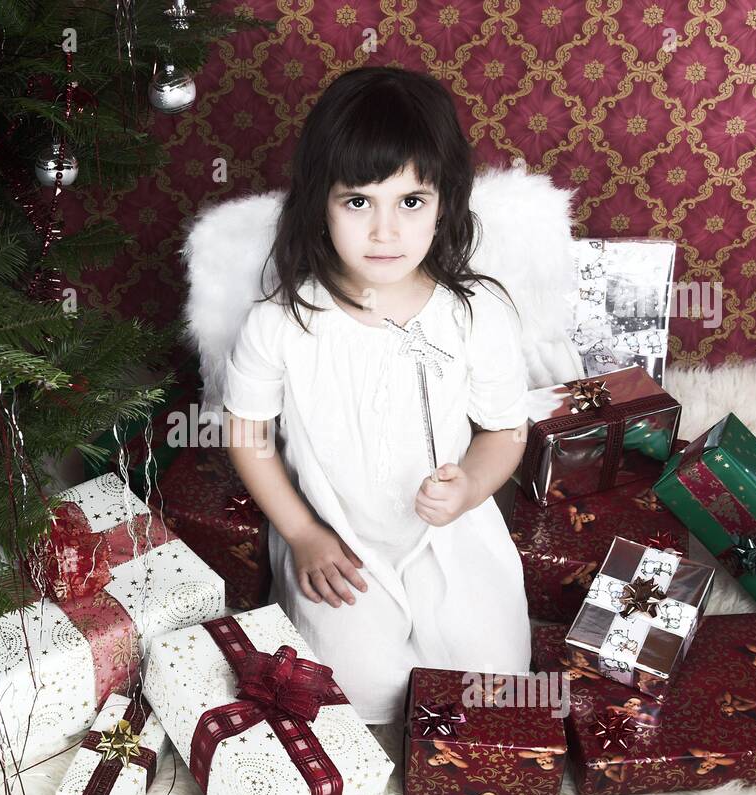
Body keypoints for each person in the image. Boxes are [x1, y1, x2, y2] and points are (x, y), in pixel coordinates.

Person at [223, 66, 533, 724]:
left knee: (492, 680)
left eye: (410, 202)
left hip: (447, 529)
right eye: (358, 202)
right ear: (320, 203)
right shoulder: (282, 322)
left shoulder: (475, 315)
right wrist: (302, 533)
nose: (385, 231)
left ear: (445, 200)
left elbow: (505, 432)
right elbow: (247, 435)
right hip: (338, 533)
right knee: (361, 687)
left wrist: (471, 487)